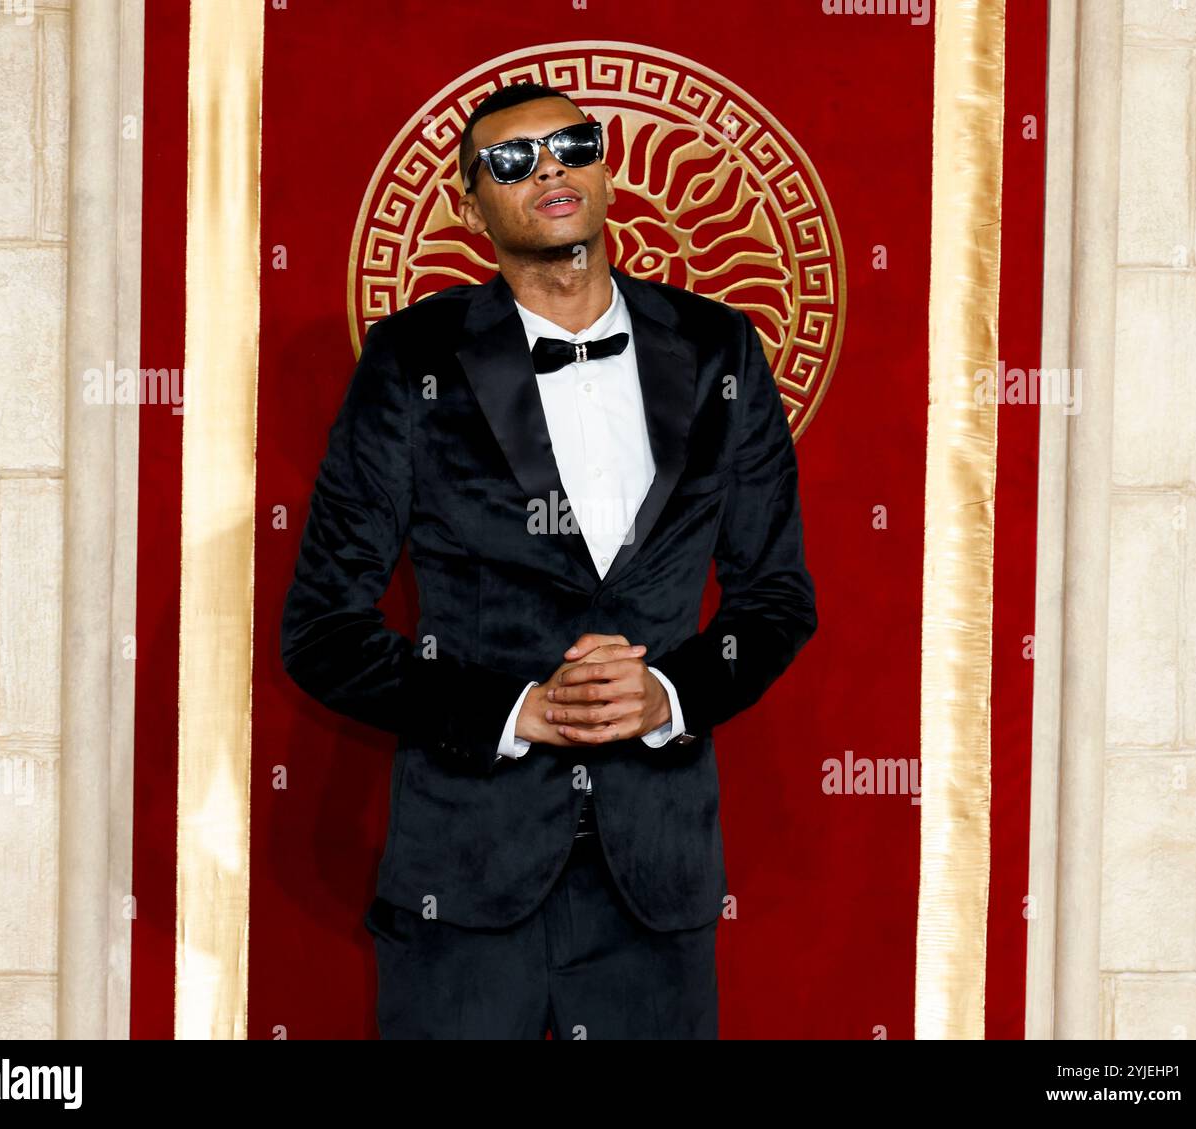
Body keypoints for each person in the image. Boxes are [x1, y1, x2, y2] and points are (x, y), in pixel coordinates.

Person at [280, 81, 817, 1039]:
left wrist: (670, 696)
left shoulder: (719, 347)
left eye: (571, 144)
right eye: (513, 160)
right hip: (464, 878)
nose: (552, 169)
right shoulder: (412, 359)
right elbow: (322, 630)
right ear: (468, 201)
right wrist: (515, 710)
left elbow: (775, 595)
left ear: (605, 164)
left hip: (657, 880)